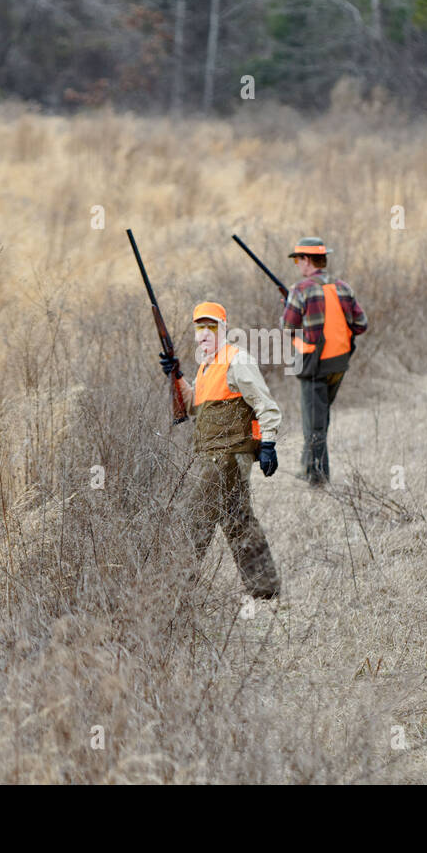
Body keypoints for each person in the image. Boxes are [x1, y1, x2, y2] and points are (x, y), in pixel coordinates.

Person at [159, 302, 282, 599]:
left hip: (227, 455)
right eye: (199, 328)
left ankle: (176, 590)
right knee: (237, 519)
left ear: (224, 329)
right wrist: (176, 377)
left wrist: (268, 443)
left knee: (196, 518)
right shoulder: (207, 366)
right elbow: (194, 407)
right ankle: (264, 587)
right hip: (214, 454)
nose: (203, 334)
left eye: (210, 327)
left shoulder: (236, 360)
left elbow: (265, 404)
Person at [280, 237, 367, 485]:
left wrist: (287, 305)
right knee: (320, 418)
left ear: (307, 260)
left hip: (313, 368)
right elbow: (361, 325)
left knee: (314, 426)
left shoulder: (301, 290)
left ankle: (318, 480)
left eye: (298, 260)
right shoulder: (343, 287)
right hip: (339, 365)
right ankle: (307, 467)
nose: (297, 264)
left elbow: (288, 327)